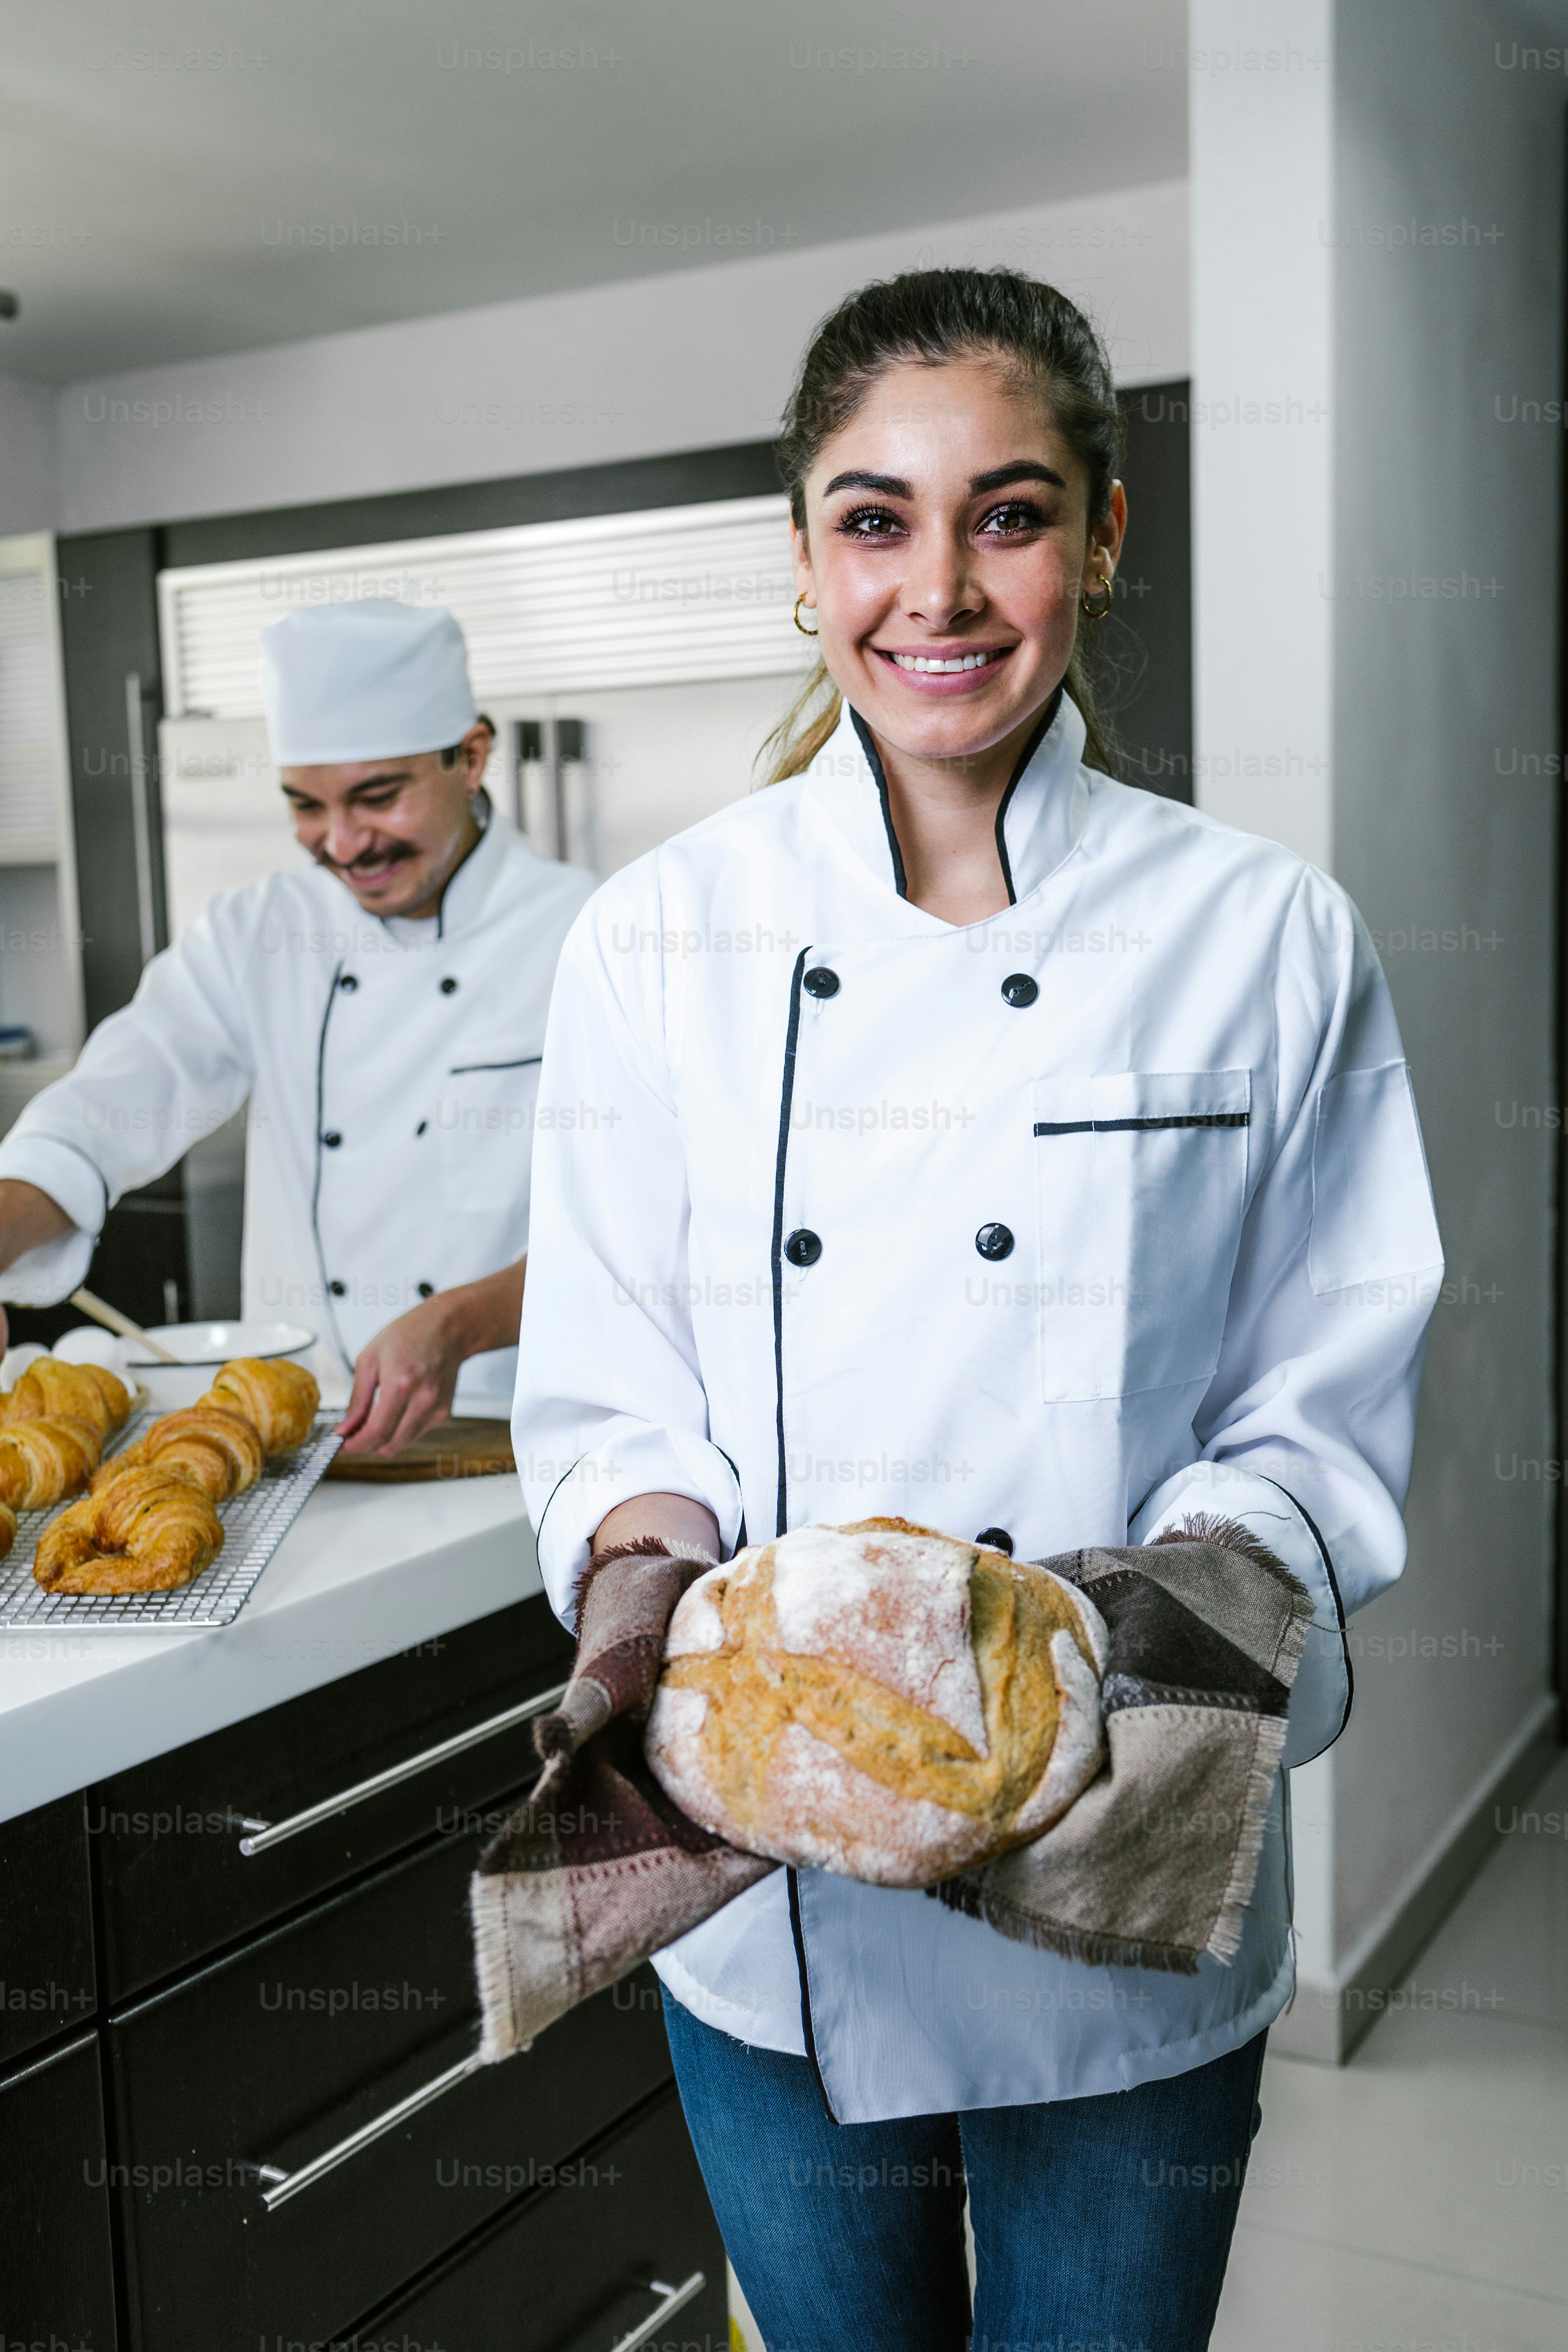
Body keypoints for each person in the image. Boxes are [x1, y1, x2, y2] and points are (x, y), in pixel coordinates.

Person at [513, 270, 1444, 2351]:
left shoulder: (1262, 933)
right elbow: (608, 1379)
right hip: (773, 1881)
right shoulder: (658, 934)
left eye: (1009, 513)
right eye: (874, 518)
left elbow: (1325, 1397)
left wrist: (1105, 1642)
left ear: (1103, 537)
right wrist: (642, 1577)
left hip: (1124, 1853)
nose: (938, 586)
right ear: (802, 559)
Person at [0, 599, 594, 1457]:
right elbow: (108, 1107)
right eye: (306, 807)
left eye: (377, 797)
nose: (345, 842)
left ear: (470, 757)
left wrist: (460, 1325)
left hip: (512, 1443)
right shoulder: (259, 931)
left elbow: (653, 1232)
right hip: (294, 1437)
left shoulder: (593, 932)